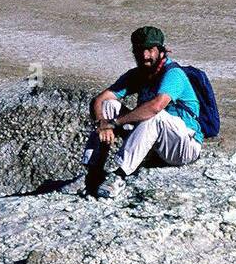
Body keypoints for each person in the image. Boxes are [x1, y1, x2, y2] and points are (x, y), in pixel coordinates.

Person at [82, 25, 203, 199]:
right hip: (155, 143)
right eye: (140, 51)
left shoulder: (174, 74)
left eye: (150, 50)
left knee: (155, 114)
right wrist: (102, 122)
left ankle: (120, 176)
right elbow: (99, 100)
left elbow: (155, 107)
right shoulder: (138, 74)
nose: (145, 56)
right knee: (109, 105)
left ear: (161, 51)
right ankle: (93, 172)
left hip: (184, 146)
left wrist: (115, 123)